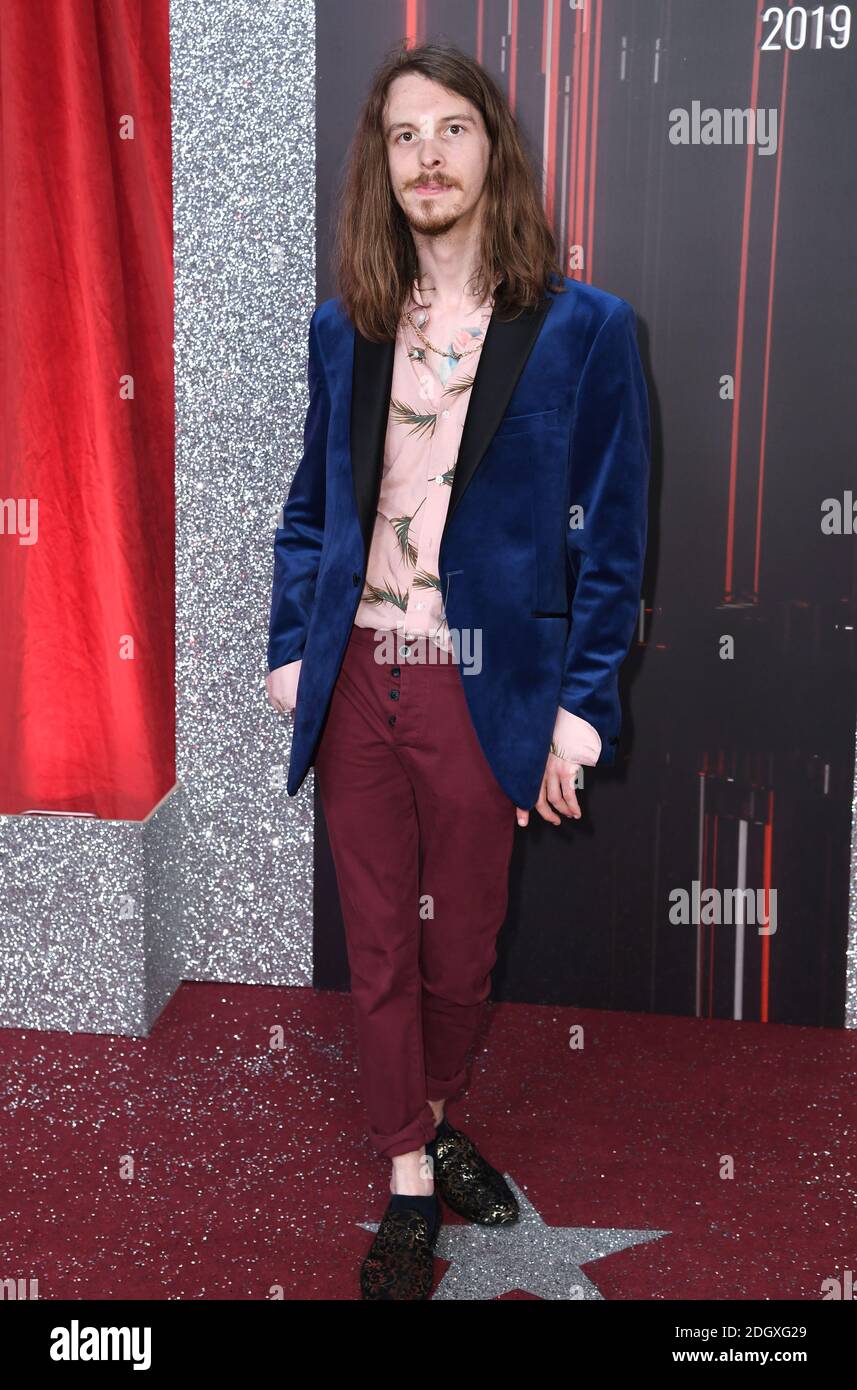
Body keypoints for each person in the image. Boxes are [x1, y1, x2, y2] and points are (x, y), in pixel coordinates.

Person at [266, 40, 650, 1300]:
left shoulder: (585, 332)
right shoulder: (348, 326)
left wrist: (575, 719)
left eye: (449, 131)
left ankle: (423, 1114)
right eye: (401, 136)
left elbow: (614, 545)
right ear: (380, 166)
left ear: (492, 151)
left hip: (484, 686)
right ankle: (409, 1179)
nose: (425, 156)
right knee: (374, 944)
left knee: (460, 950)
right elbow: (311, 507)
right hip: (355, 676)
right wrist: (289, 646)